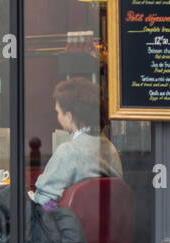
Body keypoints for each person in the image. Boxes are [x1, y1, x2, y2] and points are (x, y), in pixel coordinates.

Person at [33, 77, 123, 207]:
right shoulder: (110, 148)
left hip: (70, 225)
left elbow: (45, 202)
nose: (57, 116)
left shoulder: (69, 151)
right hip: (107, 225)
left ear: (69, 116)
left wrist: (34, 199)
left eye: (58, 112)